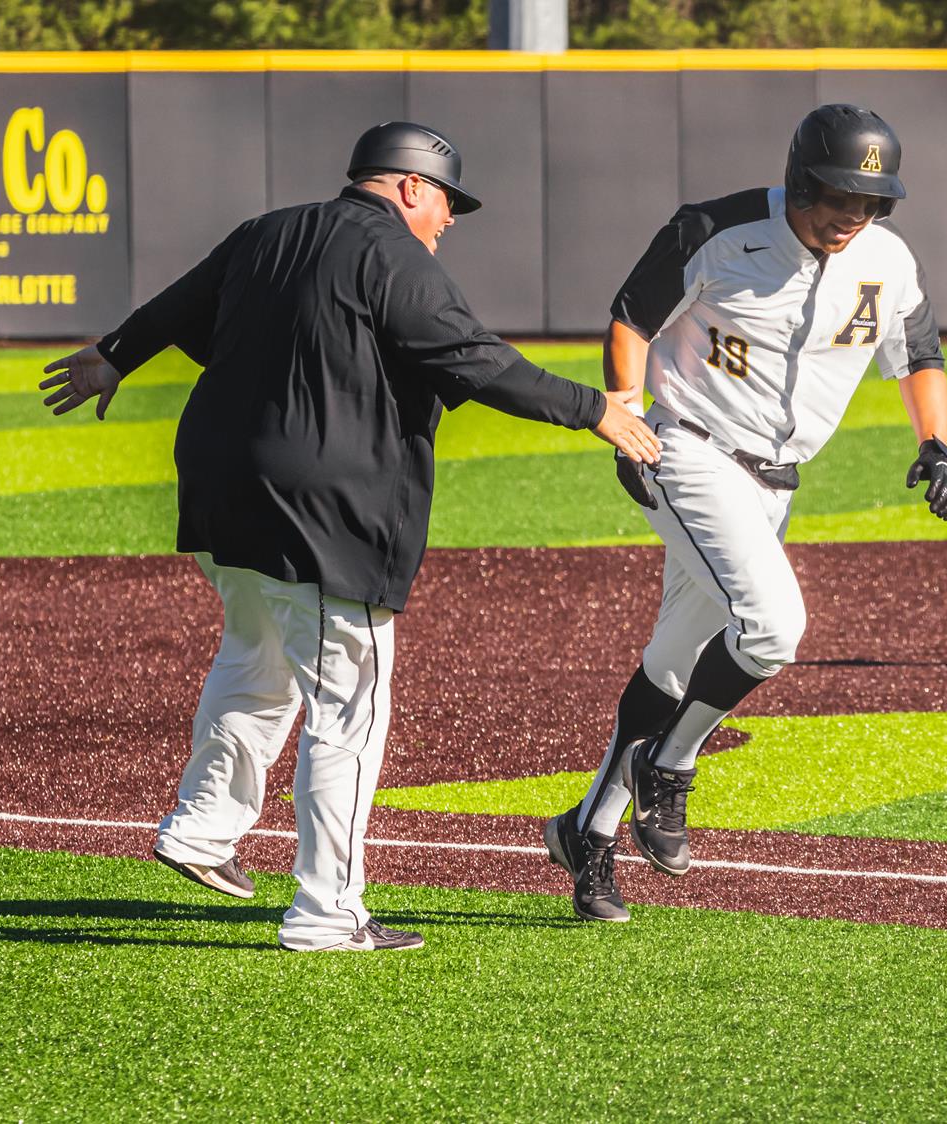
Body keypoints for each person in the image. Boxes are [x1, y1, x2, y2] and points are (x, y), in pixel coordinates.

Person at [40, 121, 660, 951]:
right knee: (349, 707)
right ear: (408, 186)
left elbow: (180, 304)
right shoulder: (396, 255)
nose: (448, 219)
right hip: (324, 510)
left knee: (254, 656)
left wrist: (115, 355)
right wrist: (596, 411)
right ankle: (328, 911)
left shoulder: (268, 232)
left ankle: (202, 828)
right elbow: (476, 360)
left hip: (224, 492)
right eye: (446, 200)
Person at [543, 104, 947, 922]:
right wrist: (625, 418)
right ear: (803, 178)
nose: (855, 214)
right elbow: (631, 317)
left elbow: (919, 355)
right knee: (772, 627)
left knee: (672, 660)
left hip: (776, 484)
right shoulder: (717, 228)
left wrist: (936, 442)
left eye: (872, 201)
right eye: (842, 194)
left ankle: (586, 834)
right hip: (687, 448)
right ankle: (672, 767)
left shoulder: (886, 258)